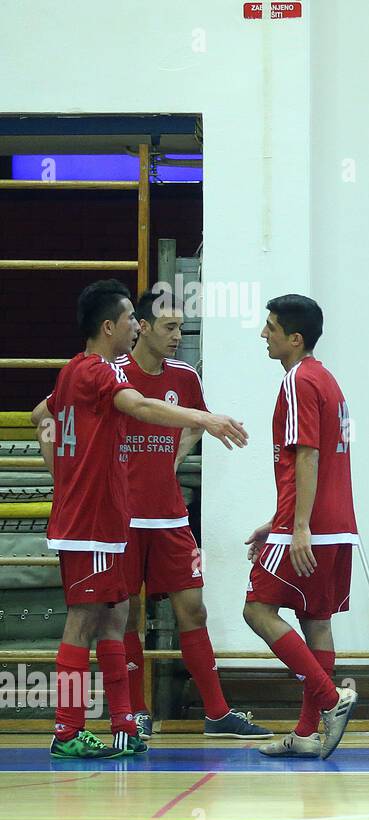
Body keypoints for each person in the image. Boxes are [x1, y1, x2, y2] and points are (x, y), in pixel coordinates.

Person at [32, 279, 247, 758]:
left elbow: (43, 417)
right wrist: (205, 419)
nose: (136, 325)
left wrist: (67, 472)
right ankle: (66, 730)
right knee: (83, 620)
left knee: (116, 615)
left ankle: (125, 722)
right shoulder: (97, 372)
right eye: (132, 318)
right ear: (110, 326)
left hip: (105, 520)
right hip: (89, 522)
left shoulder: (75, 371)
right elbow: (138, 405)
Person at [113, 291, 271, 740]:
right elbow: (49, 412)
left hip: (169, 516)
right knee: (124, 617)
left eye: (182, 327)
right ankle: (135, 712)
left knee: (194, 610)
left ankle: (217, 713)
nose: (178, 337)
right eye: (169, 327)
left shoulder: (183, 376)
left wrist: (170, 462)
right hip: (120, 520)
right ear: (141, 326)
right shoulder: (112, 373)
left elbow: (191, 420)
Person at [242, 295, 358, 760]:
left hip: (308, 527)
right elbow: (317, 462)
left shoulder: (297, 380)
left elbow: (307, 454)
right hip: (336, 525)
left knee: (257, 611)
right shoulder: (327, 380)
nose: (262, 334)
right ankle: (308, 734)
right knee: (317, 622)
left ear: (295, 338)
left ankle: (332, 700)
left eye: (270, 327)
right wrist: (276, 522)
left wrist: (297, 527)